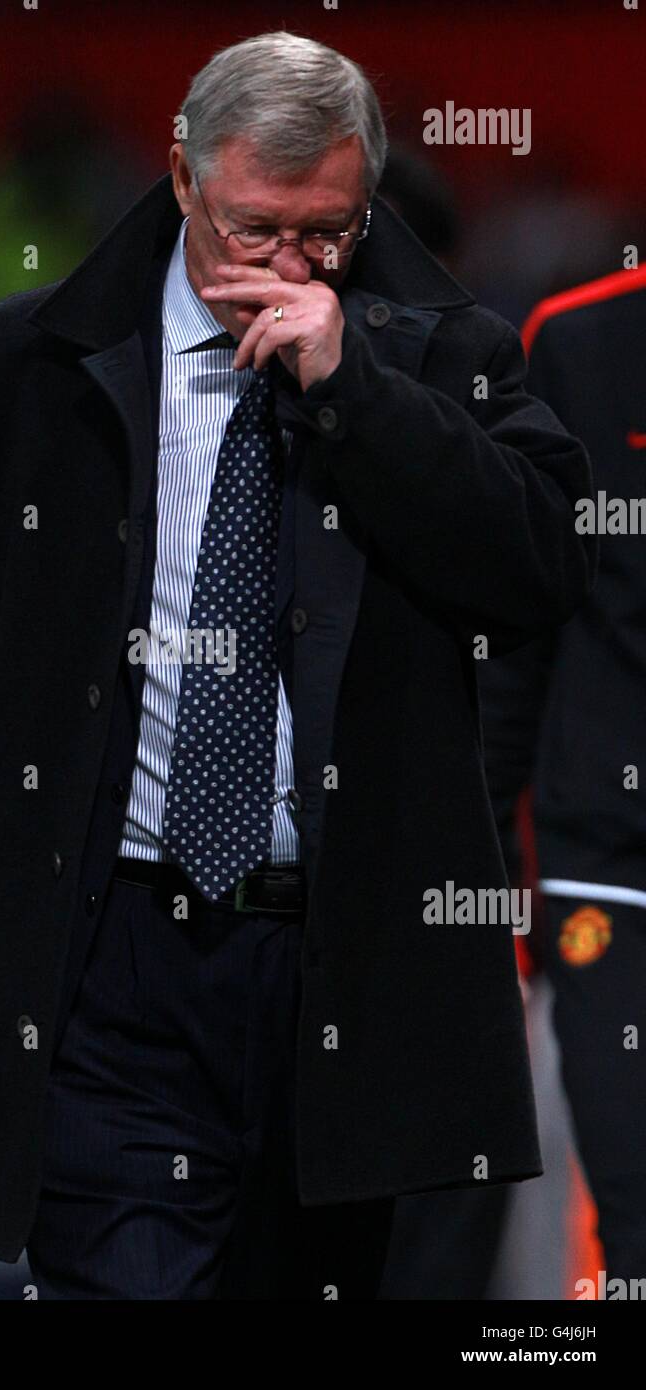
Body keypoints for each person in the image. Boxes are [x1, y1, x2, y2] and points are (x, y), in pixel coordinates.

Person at [0, 31, 595, 1299]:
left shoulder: (442, 355)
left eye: (323, 234)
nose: (283, 267)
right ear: (179, 180)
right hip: (112, 968)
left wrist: (357, 391)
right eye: (252, 229)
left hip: (345, 977)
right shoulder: (16, 378)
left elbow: (540, 566)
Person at [479, 265, 646, 1283]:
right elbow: (516, 628)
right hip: (607, 874)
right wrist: (491, 860)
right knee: (634, 1220)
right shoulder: (576, 344)